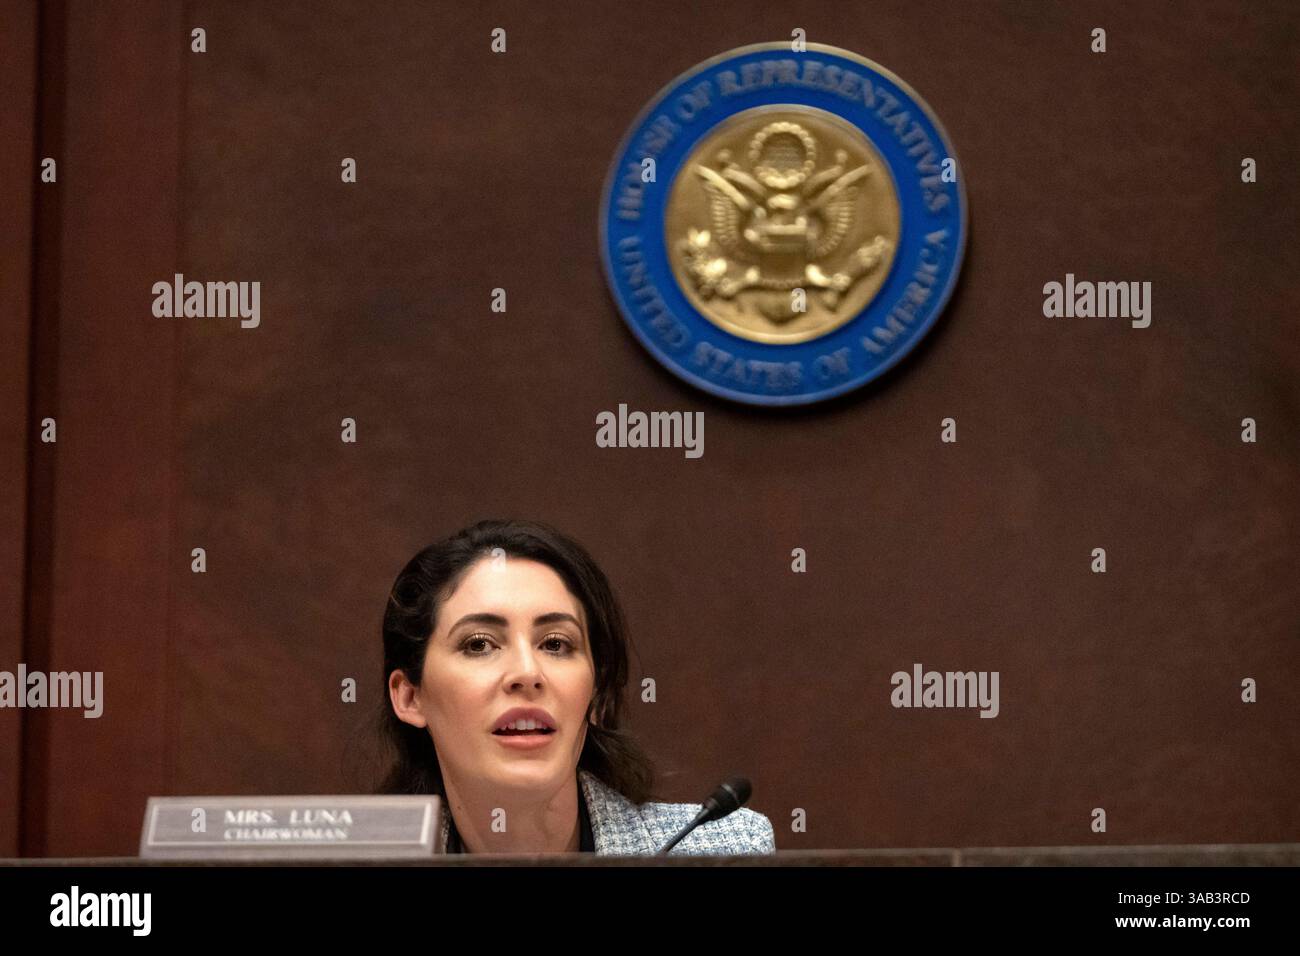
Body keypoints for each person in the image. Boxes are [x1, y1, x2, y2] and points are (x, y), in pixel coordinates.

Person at [378, 518, 775, 855]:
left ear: (598, 695)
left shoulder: (720, 852)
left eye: (555, 644)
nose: (527, 672)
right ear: (410, 696)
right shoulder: (356, 864)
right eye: (479, 644)